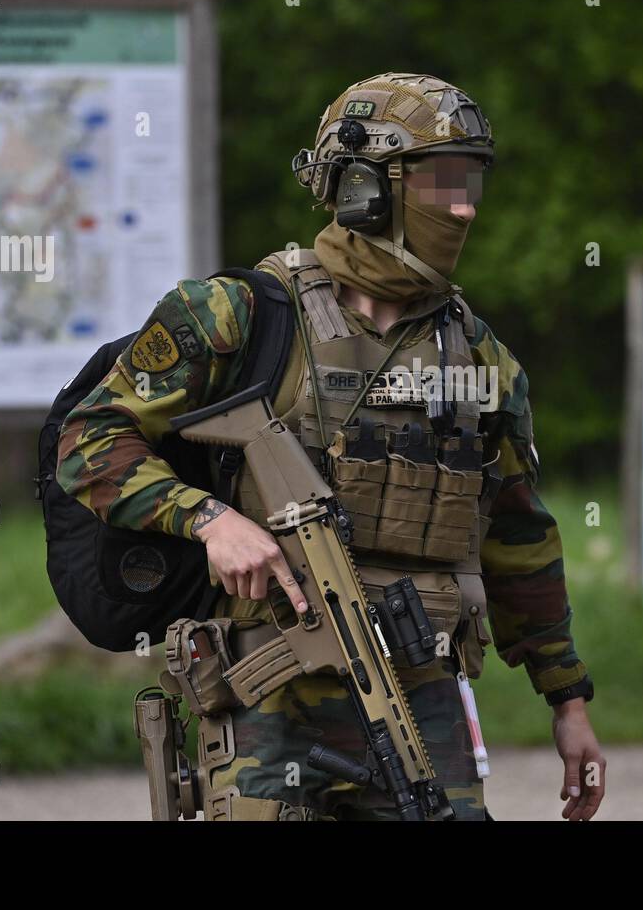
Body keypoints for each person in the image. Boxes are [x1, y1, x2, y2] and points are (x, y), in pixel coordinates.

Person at [57, 73, 604, 821]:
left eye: (472, 181)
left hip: (420, 696)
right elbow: (90, 439)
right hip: (263, 692)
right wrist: (211, 521)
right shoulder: (239, 315)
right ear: (364, 188)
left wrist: (567, 702)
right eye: (444, 182)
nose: (466, 205)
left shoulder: (477, 357)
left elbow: (517, 533)